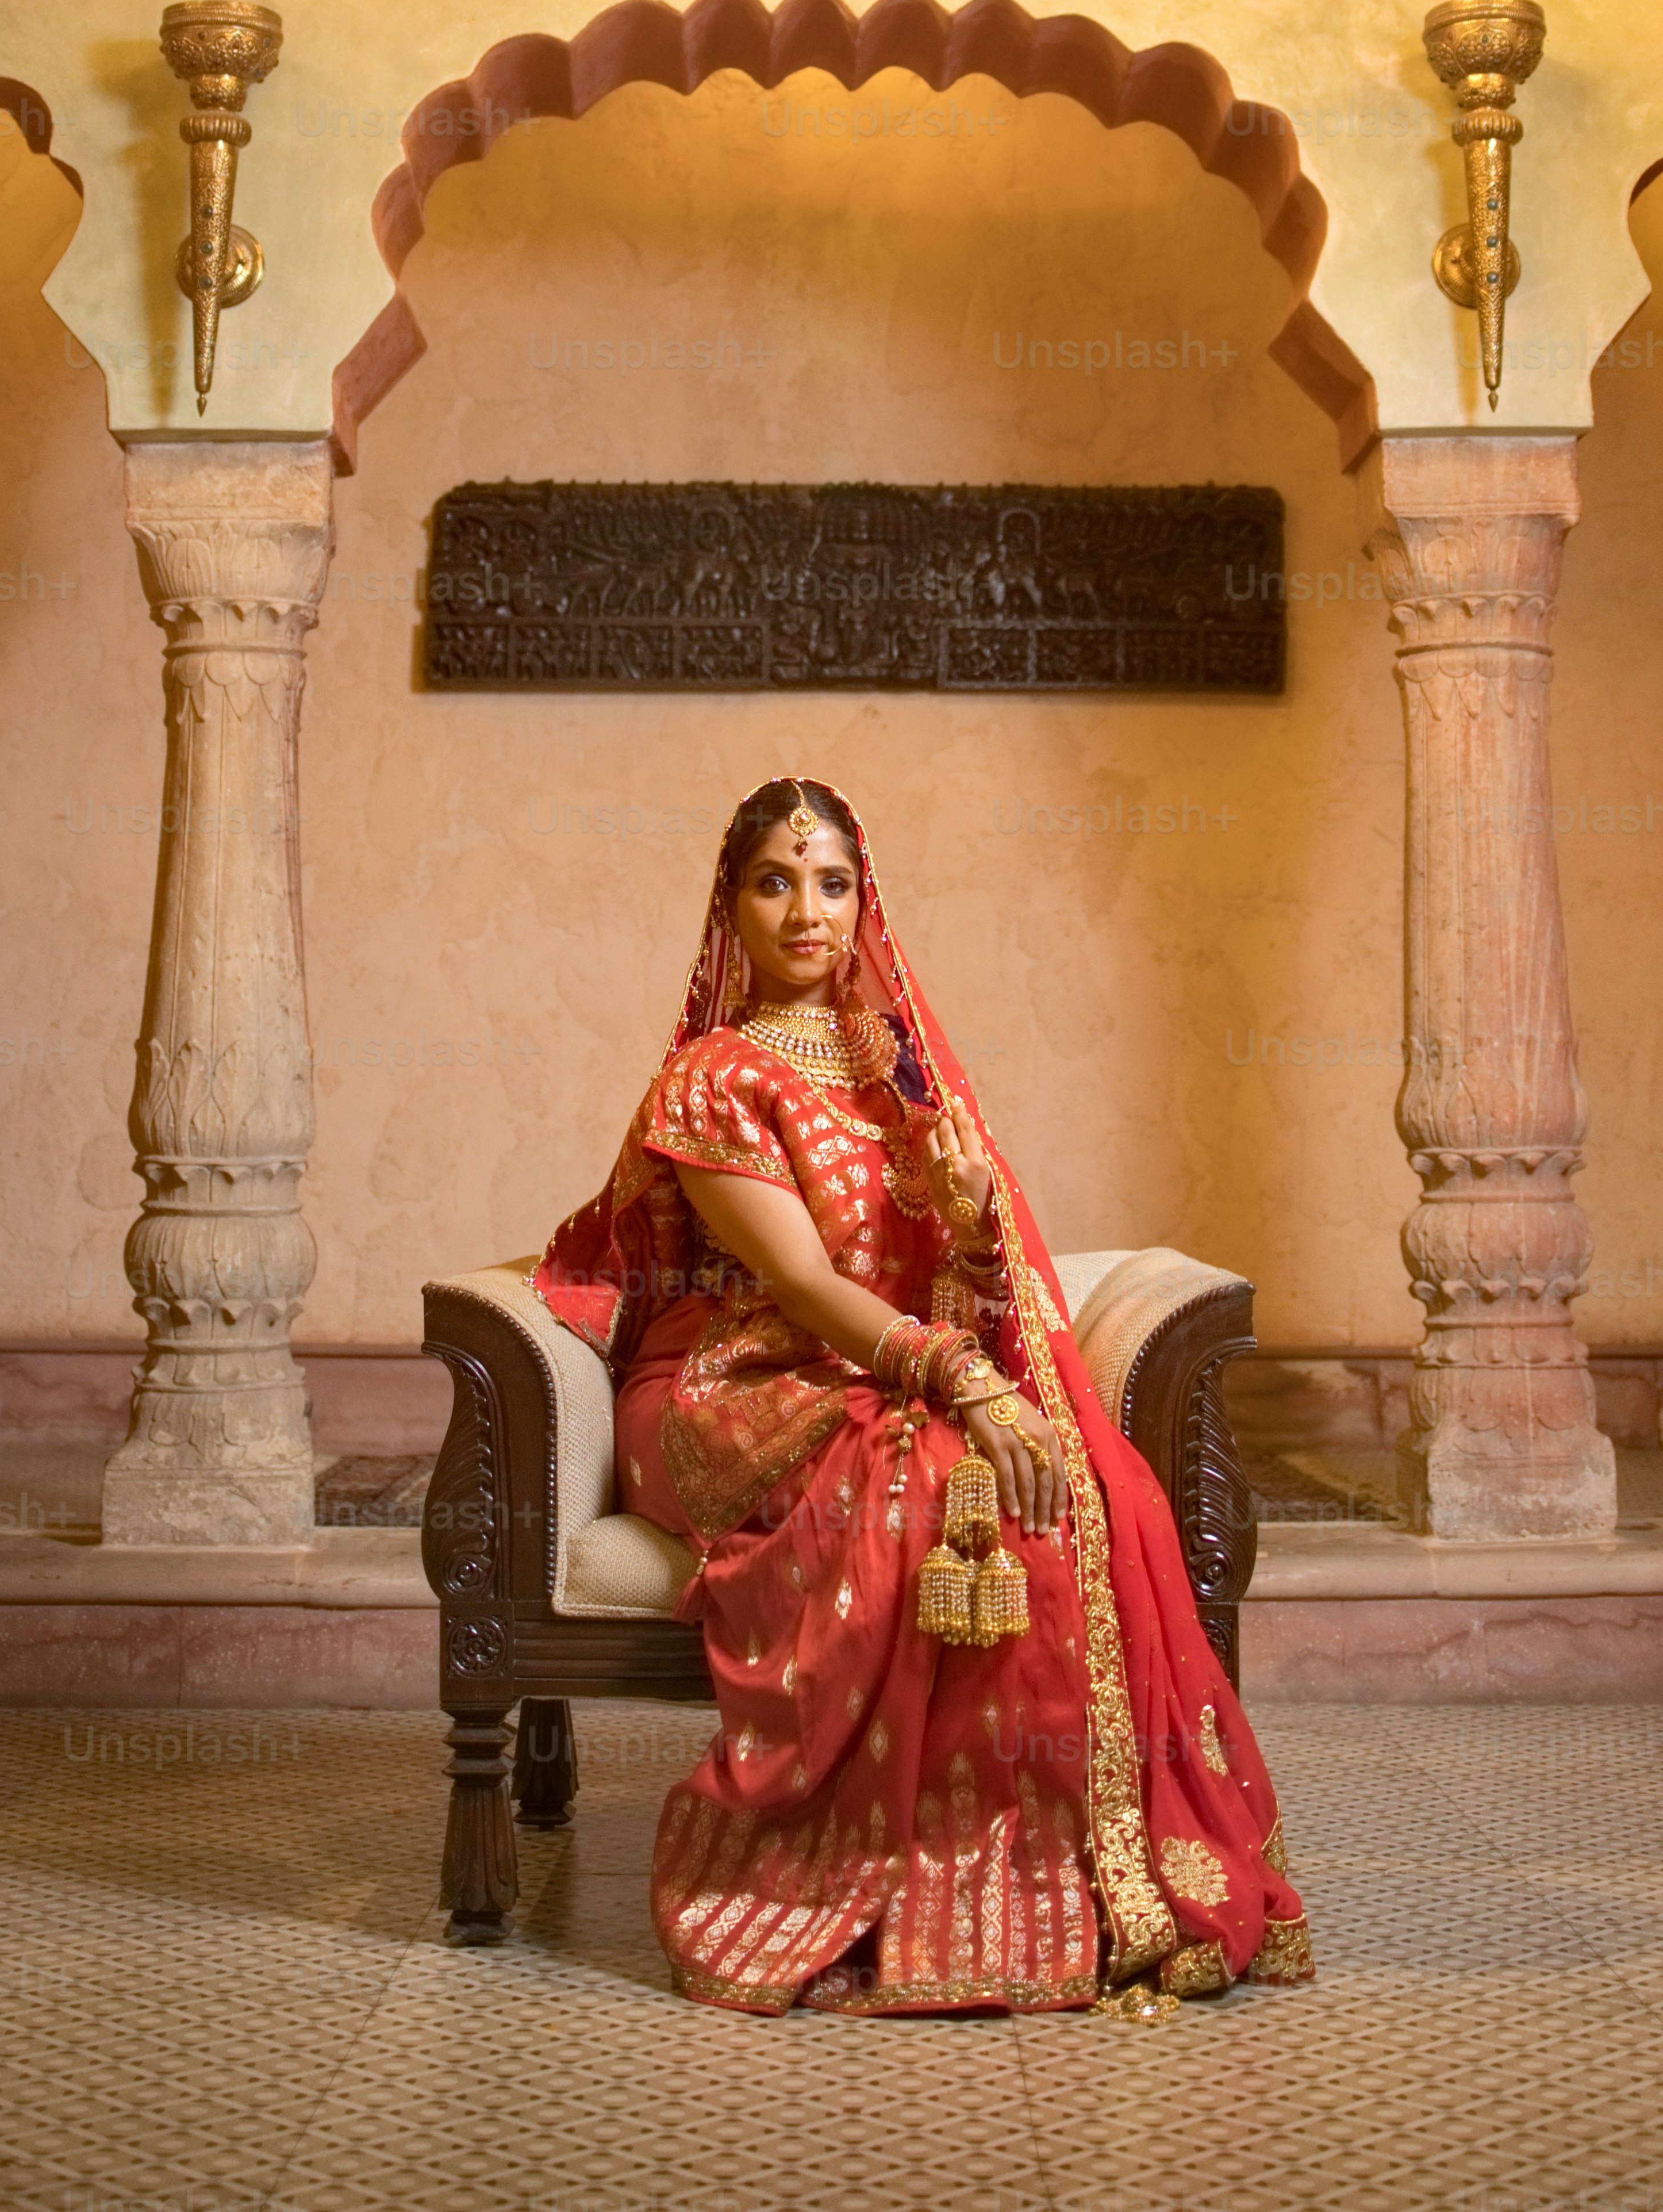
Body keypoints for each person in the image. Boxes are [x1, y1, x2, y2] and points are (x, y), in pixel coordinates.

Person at [533, 775, 1313, 2018]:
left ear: (865, 897)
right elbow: (794, 1279)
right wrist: (961, 1376)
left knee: (1078, 1475)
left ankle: (1080, 1875)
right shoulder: (712, 1075)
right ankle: (885, 1875)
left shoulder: (894, 1072)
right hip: (734, 1380)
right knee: (927, 1479)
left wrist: (969, 1234)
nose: (807, 909)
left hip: (872, 1361)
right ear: (729, 906)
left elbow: (948, 1278)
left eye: (833, 881)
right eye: (775, 880)